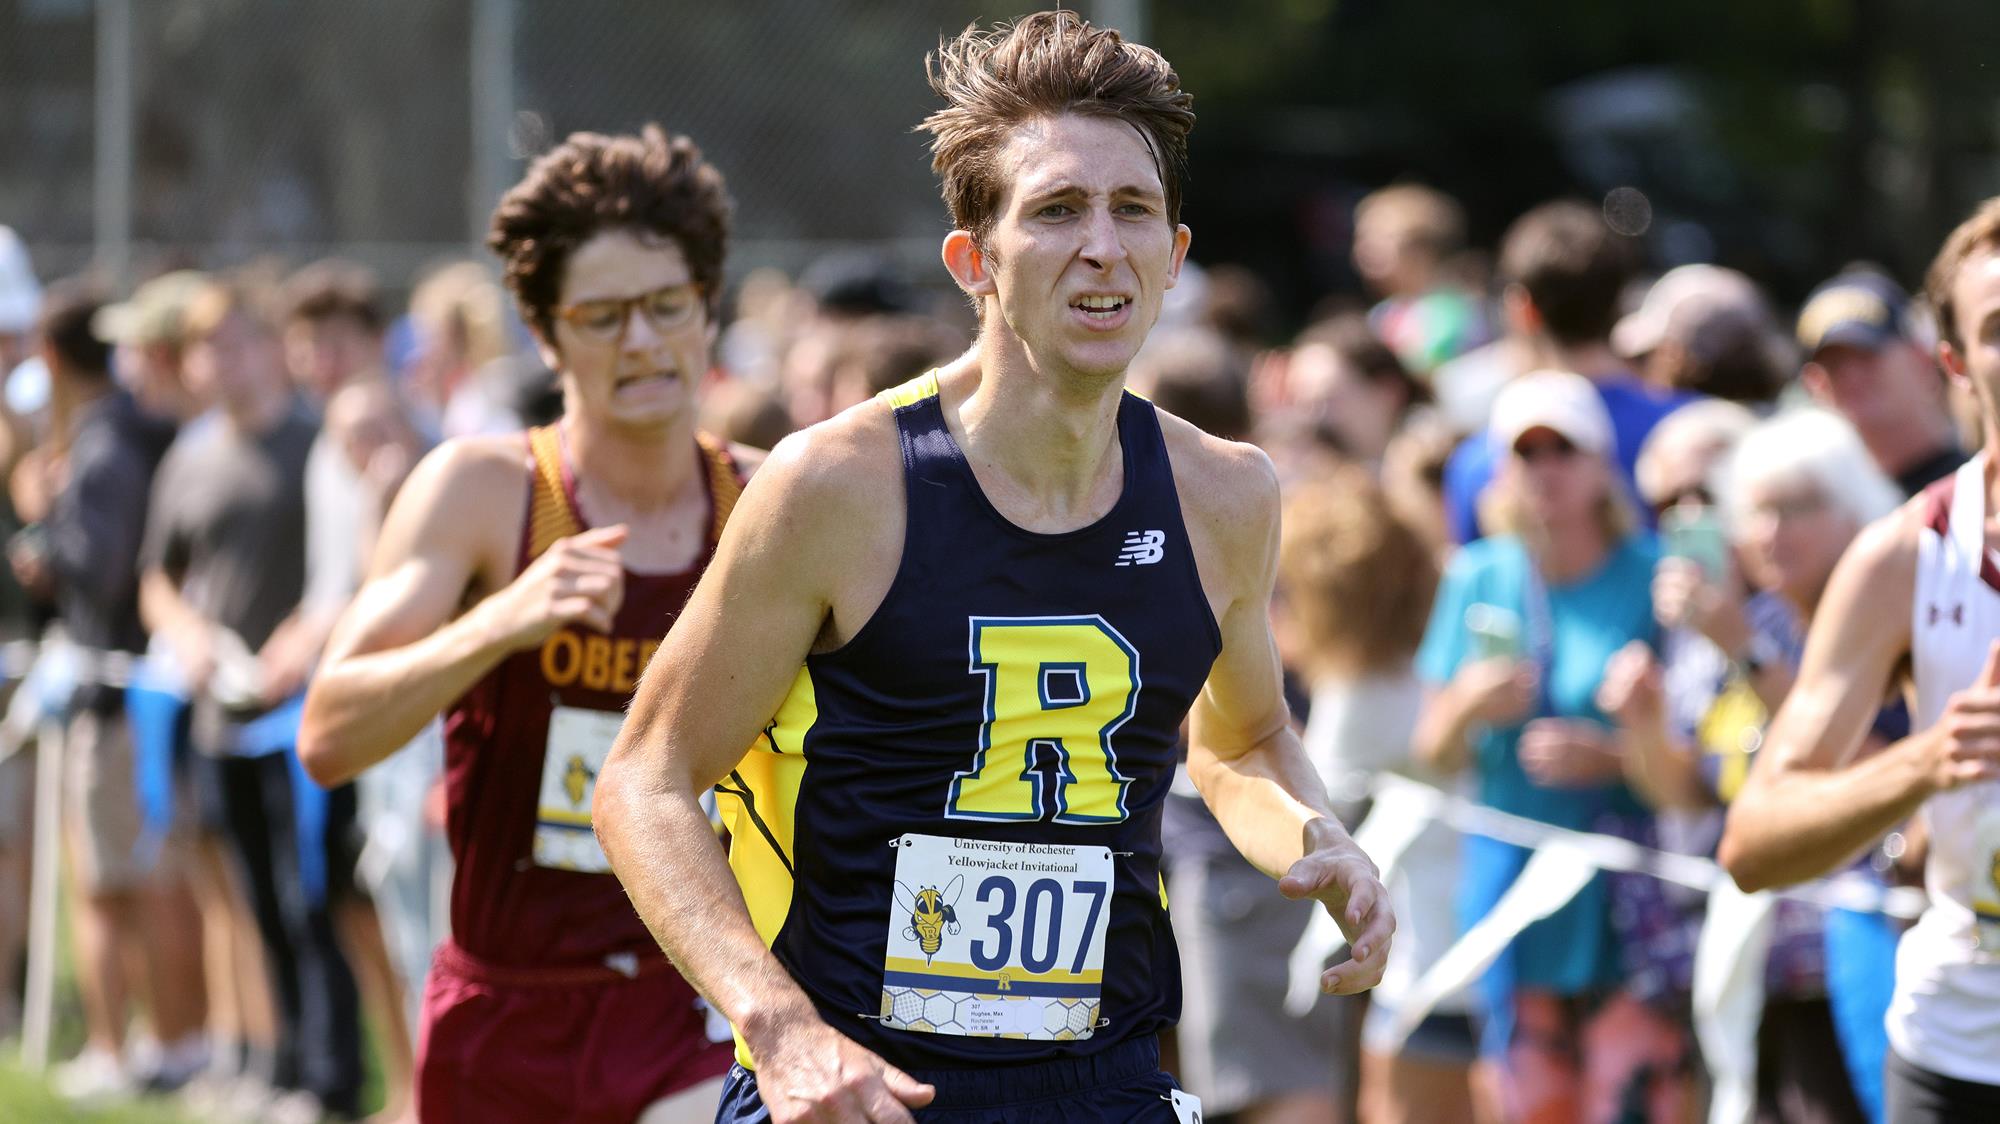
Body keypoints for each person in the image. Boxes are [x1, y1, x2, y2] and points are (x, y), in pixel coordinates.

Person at [592, 13, 1392, 1124]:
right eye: (1056, 210)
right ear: (974, 260)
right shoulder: (837, 485)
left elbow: (1242, 737)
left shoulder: (1226, 493)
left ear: (1174, 254)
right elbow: (644, 777)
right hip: (858, 1086)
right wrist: (780, 1031)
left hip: (1106, 1079)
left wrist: (1321, 837)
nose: (1102, 245)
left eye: (1133, 210)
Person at [298, 124, 756, 1124]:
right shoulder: (485, 491)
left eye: (665, 305)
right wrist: (498, 621)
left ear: (706, 311)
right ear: (545, 335)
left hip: (693, 1001)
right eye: (601, 315)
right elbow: (328, 734)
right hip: (504, 1007)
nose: (640, 340)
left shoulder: (764, 505)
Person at [1720, 198, 2000, 1119]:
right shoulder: (1906, 557)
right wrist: (1929, 760)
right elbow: (1756, 844)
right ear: (1956, 365)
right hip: (1965, 1051)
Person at [1606, 408, 1900, 1123]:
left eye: (1796, 508)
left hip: (1856, 958)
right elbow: (1685, 789)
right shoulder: (1739, 623)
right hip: (1745, 962)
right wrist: (1642, 723)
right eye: (1758, 510)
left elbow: (1882, 772)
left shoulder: (1890, 618)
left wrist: (1746, 651)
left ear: (1859, 508)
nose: (1770, 532)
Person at [1412, 369, 1690, 1123]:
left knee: (1627, 1103)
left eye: (1562, 449)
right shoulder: (1478, 574)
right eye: (1525, 452)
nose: (1545, 470)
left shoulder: (1653, 579)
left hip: (1625, 896)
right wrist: (1470, 701)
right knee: (1525, 1105)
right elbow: (1429, 754)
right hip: (1510, 889)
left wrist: (1611, 755)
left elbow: (1694, 763)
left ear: (1601, 463)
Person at [138, 280, 364, 1119]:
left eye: (235, 342)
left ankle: (333, 1078)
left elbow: (348, 572)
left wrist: (302, 643)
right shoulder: (191, 454)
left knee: (314, 898)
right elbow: (157, 577)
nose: (220, 361)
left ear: (271, 348)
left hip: (307, 713)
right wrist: (187, 636)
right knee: (256, 900)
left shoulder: (318, 444)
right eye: (206, 348)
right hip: (220, 715)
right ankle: (283, 1065)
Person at [14, 280, 206, 1097]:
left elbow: (104, 566)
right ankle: (165, 1041)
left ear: (51, 355)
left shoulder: (102, 446)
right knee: (137, 877)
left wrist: (46, 544)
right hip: (142, 692)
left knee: (117, 883)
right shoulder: (136, 433)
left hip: (118, 693)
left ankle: (147, 1046)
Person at [1439, 201, 1698, 544]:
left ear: (1523, 309)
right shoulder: (1695, 428)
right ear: (1620, 303)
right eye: (1533, 454)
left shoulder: (1485, 461)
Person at [1794, 269, 1964, 496]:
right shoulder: (1836, 512)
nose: (1851, 375)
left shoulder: (1985, 477)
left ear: (1920, 358)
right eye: (1833, 365)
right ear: (1814, 386)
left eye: (1866, 355)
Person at [1612, 264, 1791, 407]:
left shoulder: (1670, 439)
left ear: (1673, 356)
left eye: (1647, 358)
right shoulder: (1788, 432)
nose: (1641, 375)